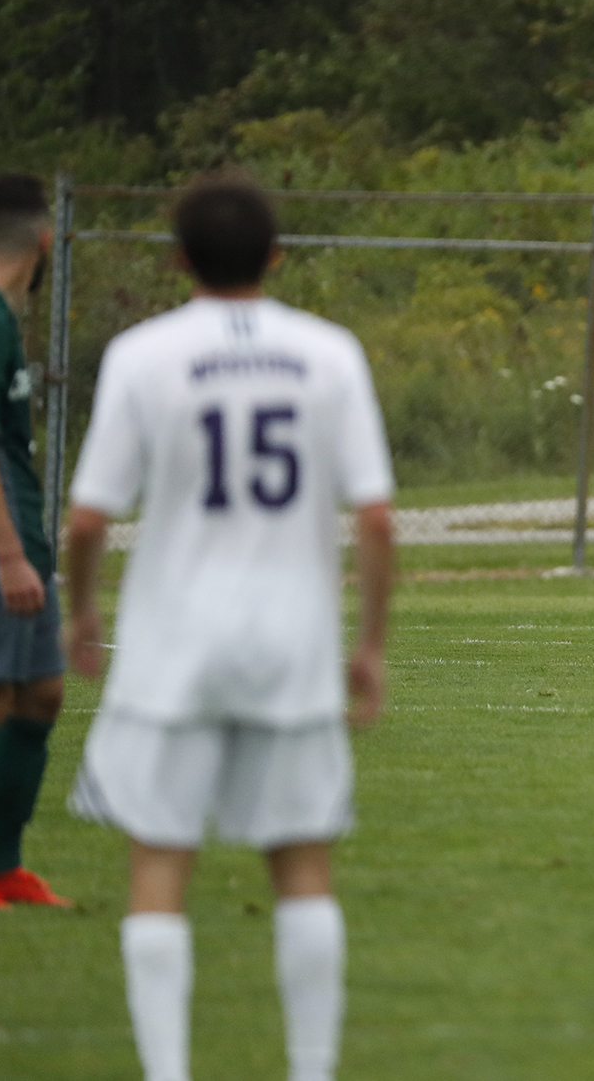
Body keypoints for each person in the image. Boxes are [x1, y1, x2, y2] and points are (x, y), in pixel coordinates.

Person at [61, 175, 395, 1081]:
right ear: (277, 256)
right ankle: (311, 1069)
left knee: (161, 867)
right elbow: (374, 518)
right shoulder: (328, 352)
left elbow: (89, 518)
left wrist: (83, 609)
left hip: (172, 650)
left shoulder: (142, 353)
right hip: (290, 646)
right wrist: (367, 645)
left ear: (176, 261)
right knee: (300, 868)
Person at [0, 173, 69, 909]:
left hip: (19, 533)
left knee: (40, 692)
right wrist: (4, 554)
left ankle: (3, 868)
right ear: (46, 241)